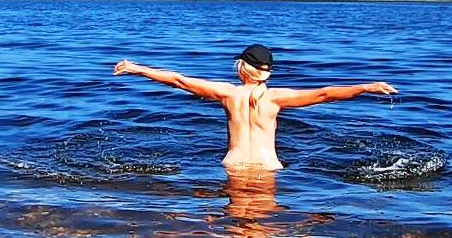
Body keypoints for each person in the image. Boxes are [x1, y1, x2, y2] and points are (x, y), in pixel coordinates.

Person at [114, 44, 397, 170]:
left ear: (242, 68)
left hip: (233, 166)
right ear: (267, 73)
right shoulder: (275, 98)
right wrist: (365, 87)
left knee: (233, 229)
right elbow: (325, 94)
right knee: (263, 231)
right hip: (267, 166)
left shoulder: (227, 94)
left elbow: (179, 80)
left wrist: (137, 69)